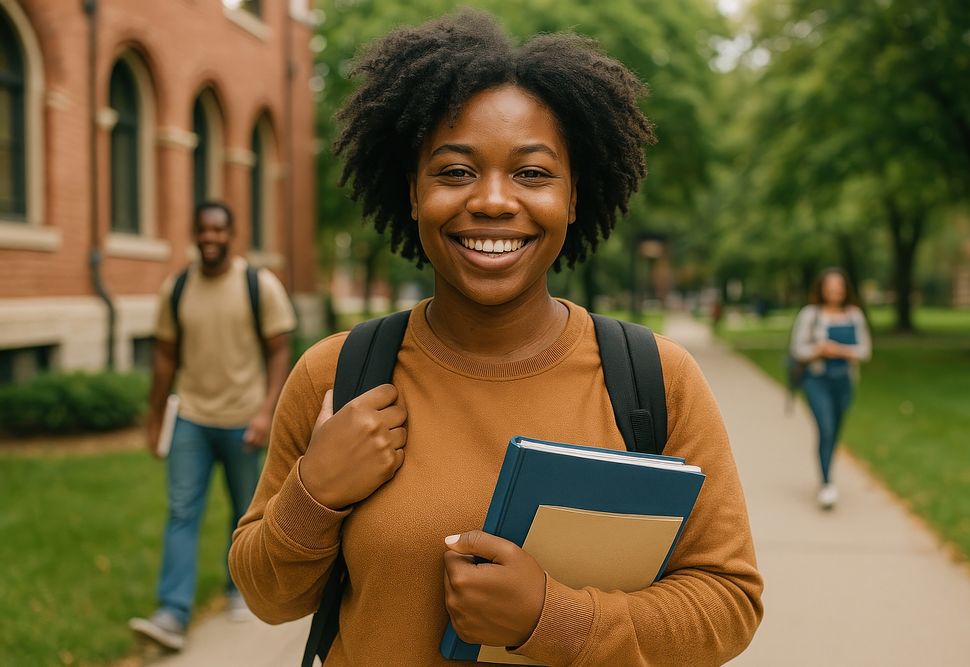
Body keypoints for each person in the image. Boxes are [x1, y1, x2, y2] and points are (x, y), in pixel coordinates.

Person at [230, 11, 762, 666]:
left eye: (532, 174)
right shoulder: (339, 373)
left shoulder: (653, 379)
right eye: (454, 172)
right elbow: (268, 597)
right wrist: (314, 492)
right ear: (413, 192)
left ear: (573, 198)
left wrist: (550, 616)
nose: (491, 200)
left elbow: (728, 601)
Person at [129, 201, 296, 650]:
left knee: (245, 511)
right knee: (182, 511)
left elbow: (280, 349)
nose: (210, 238)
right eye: (203, 230)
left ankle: (236, 588)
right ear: (195, 234)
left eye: (219, 230)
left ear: (232, 234)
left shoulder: (257, 285)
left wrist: (266, 411)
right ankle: (172, 612)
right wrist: (154, 418)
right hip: (191, 420)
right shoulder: (178, 287)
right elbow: (164, 357)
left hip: (243, 419)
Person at [790, 268, 872, 510]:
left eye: (839, 286)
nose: (834, 291)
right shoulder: (811, 315)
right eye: (830, 286)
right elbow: (798, 350)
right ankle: (827, 483)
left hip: (844, 381)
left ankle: (826, 471)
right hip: (817, 381)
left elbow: (865, 350)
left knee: (834, 432)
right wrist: (819, 350)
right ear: (822, 288)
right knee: (825, 428)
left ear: (846, 289)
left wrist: (840, 350)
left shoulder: (854, 315)